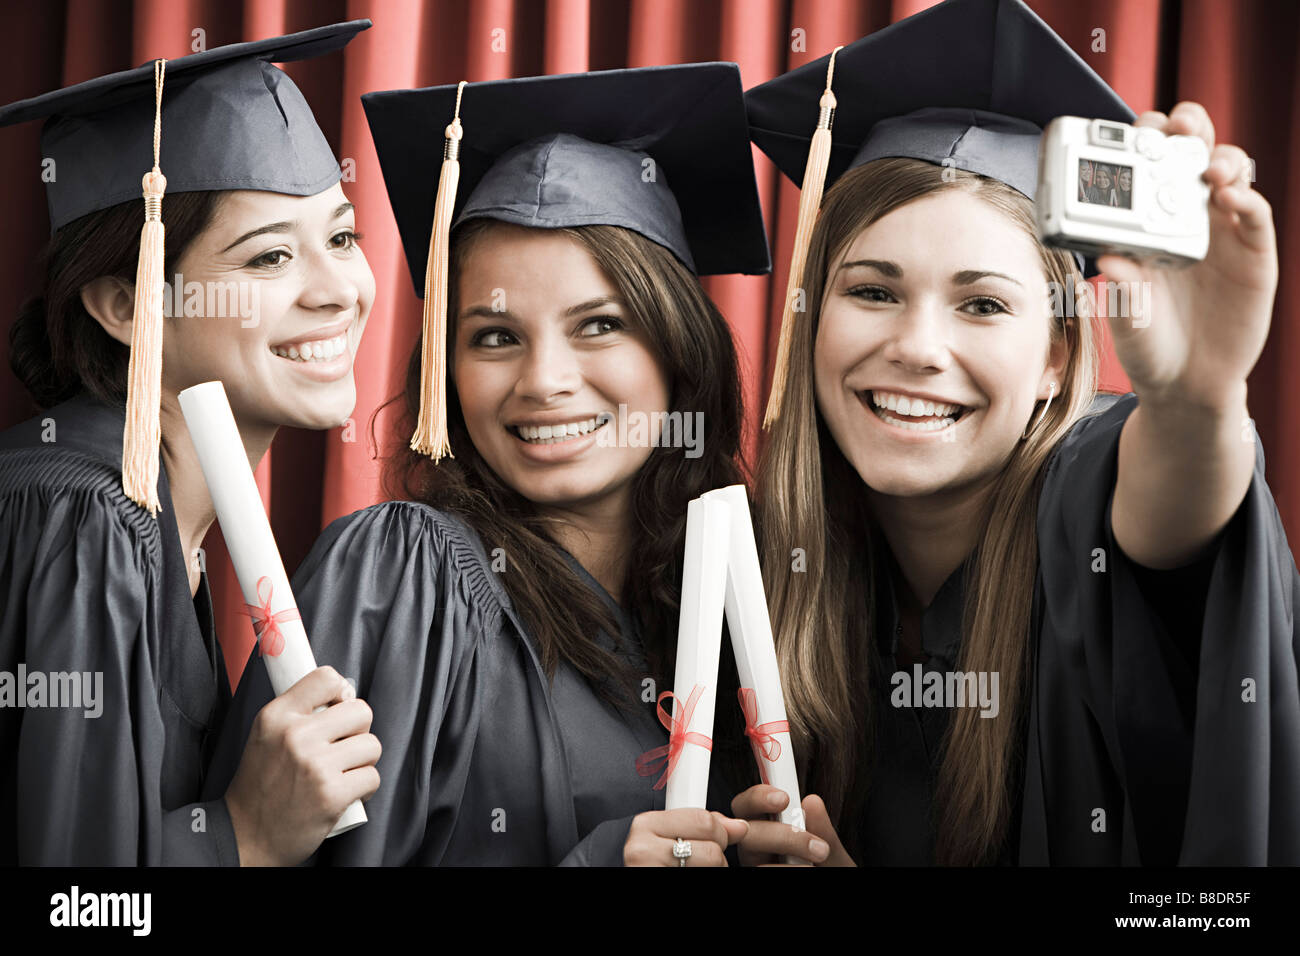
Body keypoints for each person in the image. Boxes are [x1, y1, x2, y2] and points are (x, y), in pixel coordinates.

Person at [738, 0, 1298, 865]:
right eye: (873, 291)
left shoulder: (1088, 499)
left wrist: (1196, 402)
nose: (918, 348)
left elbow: (1171, 509)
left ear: (1056, 356)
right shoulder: (769, 564)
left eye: (984, 304)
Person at [201, 63, 772, 865]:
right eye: (496, 337)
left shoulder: (730, 606)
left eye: (599, 325)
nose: (543, 382)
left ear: (679, 351)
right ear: (445, 370)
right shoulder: (406, 576)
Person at [0, 22, 384, 865]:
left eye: (343, 238)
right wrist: (244, 835)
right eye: (269, 257)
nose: (338, 293)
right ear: (127, 306)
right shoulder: (84, 517)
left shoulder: (155, 518)